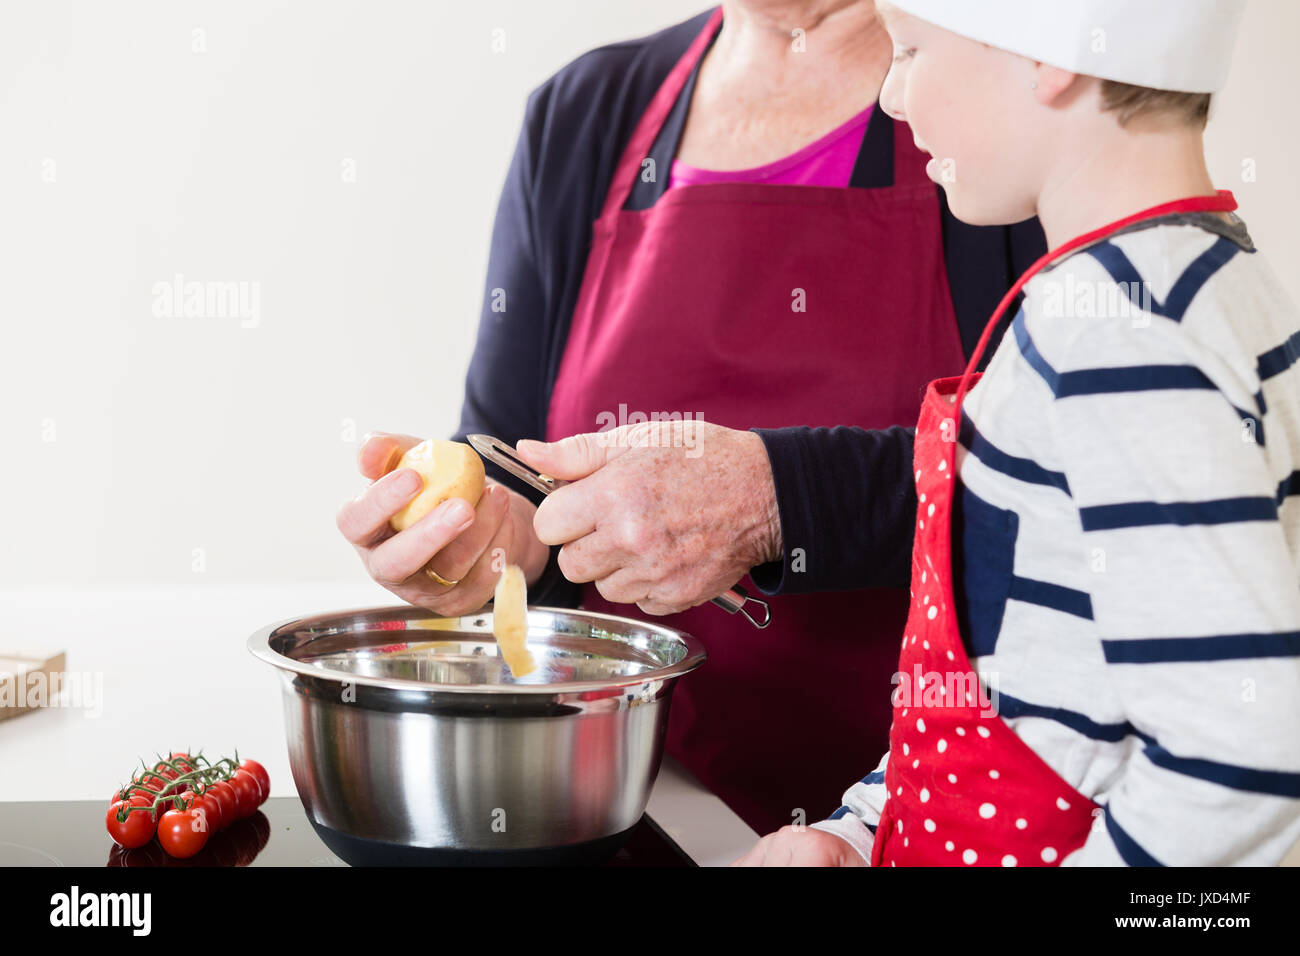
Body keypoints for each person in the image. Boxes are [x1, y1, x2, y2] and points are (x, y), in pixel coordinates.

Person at [336, 1, 1046, 836]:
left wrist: (779, 501)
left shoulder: (994, 95)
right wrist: (482, 544)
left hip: (923, 810)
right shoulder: (585, 113)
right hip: (637, 802)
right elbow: (509, 456)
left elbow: (1072, 473)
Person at [735, 0, 1300, 866]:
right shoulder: (1195, 283)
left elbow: (1244, 754)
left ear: (1054, 53)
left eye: (913, 49)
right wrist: (861, 832)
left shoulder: (1118, 338)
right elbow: (1028, 680)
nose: (892, 96)